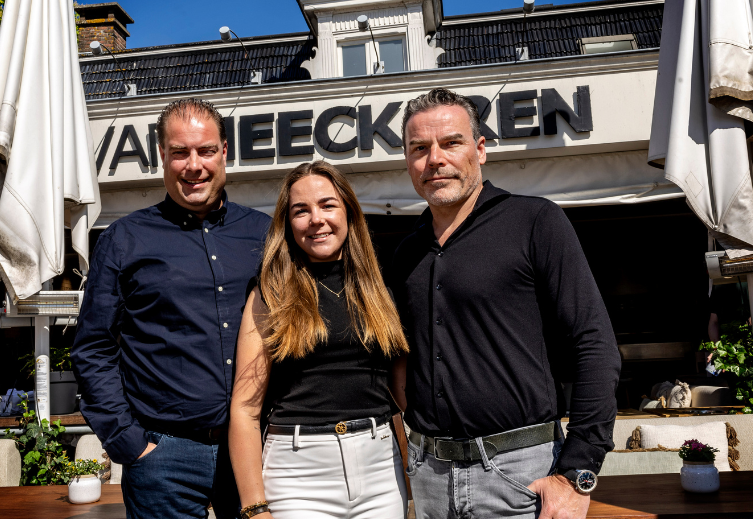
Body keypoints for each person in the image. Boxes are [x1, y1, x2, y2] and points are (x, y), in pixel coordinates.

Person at [392, 88, 621, 519]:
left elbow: (595, 345)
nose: (434, 159)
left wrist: (578, 472)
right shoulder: (406, 254)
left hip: (519, 476)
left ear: (480, 150)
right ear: (407, 161)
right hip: (429, 475)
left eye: (451, 142)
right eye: (419, 148)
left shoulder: (535, 221)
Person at [72, 98, 270, 519]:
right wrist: (131, 444)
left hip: (256, 449)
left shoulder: (265, 234)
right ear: (162, 155)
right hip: (164, 457)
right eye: (180, 152)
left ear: (224, 153)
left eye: (205, 150)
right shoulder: (124, 240)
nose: (193, 165)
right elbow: (93, 349)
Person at [228, 161, 409, 519]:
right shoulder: (270, 293)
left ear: (349, 212)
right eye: (301, 210)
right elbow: (245, 411)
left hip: (380, 471)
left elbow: (398, 400)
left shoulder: (380, 290)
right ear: (287, 223)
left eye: (327, 205)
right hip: (298, 475)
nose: (316, 219)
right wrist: (255, 508)